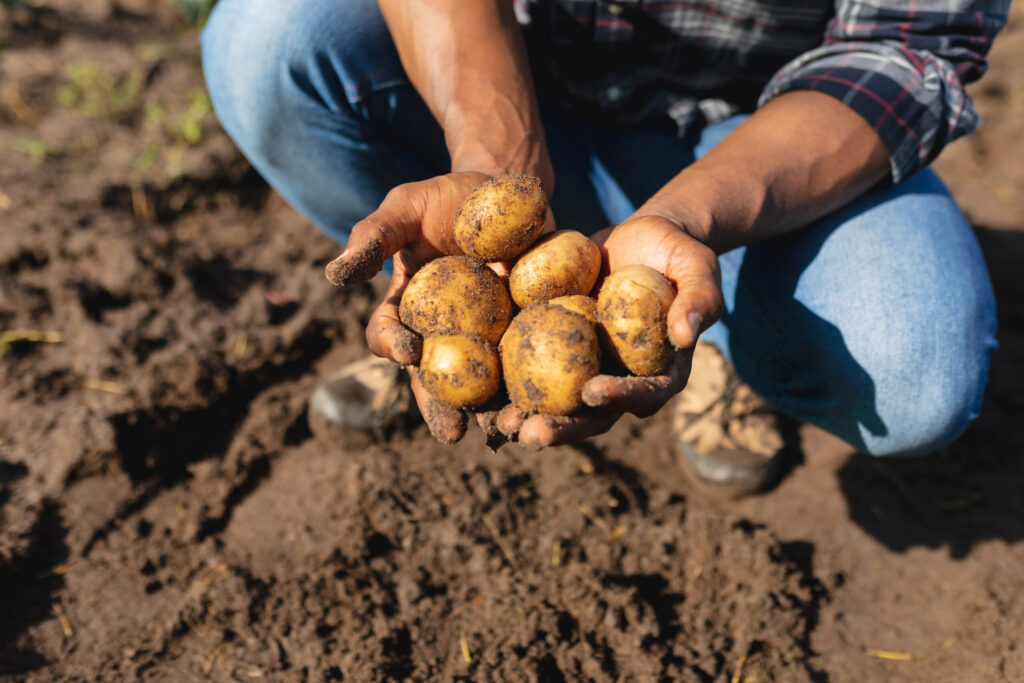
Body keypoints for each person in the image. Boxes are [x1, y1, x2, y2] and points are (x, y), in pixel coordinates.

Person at [200, 0, 1004, 493]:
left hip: (770, 131)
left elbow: (909, 50)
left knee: (912, 367)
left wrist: (689, 218)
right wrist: (495, 174)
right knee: (267, 39)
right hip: (530, 87)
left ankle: (717, 331)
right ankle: (434, 316)